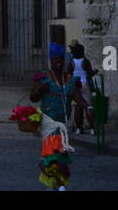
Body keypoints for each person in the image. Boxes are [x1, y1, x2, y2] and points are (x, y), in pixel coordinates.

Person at [29, 42, 86, 190]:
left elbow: (78, 97)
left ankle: (55, 185)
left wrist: (89, 107)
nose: (58, 62)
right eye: (55, 60)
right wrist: (39, 89)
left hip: (63, 125)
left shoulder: (70, 81)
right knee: (53, 155)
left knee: (58, 155)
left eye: (61, 59)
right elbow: (33, 97)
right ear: (51, 60)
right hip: (48, 124)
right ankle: (58, 186)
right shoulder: (44, 78)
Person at [68, 41, 95, 134]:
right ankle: (92, 129)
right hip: (85, 83)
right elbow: (90, 73)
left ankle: (79, 128)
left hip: (75, 84)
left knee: (77, 107)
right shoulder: (85, 61)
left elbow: (69, 73)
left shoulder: (72, 61)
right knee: (88, 106)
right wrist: (94, 72)